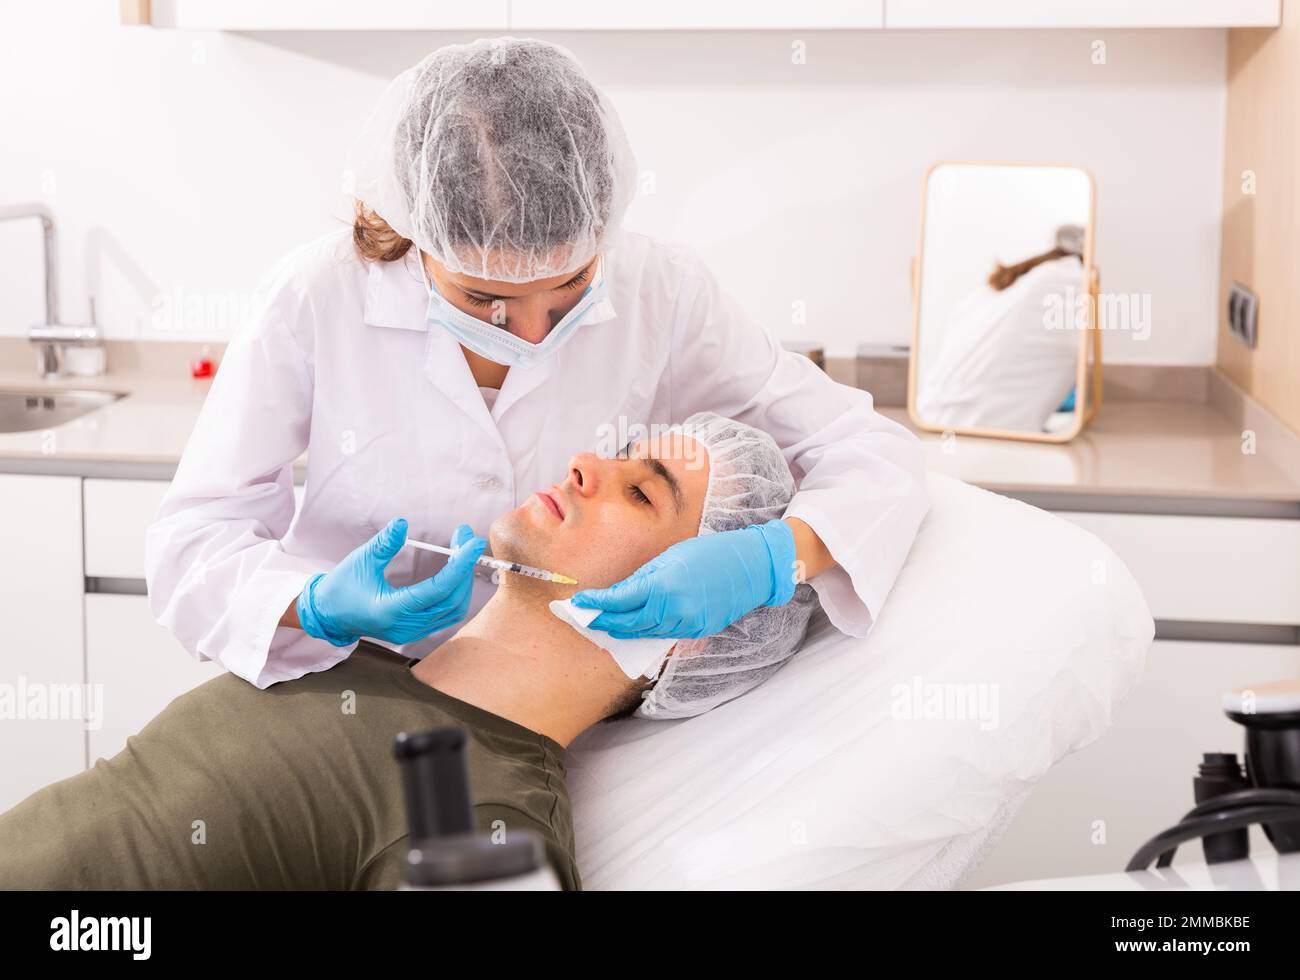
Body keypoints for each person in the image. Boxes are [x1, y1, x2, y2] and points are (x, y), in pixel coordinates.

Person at [144, 36, 927, 692]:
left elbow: (872, 453)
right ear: (419, 236)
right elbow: (194, 538)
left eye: (568, 288)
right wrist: (310, 605)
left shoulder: (662, 291)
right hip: (344, 682)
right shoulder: (318, 296)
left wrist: (773, 557)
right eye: (485, 297)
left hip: (542, 699)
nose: (529, 330)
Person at [1, 415, 818, 891]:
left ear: (693, 629)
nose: (584, 463)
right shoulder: (359, 660)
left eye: (642, 491)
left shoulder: (489, 824)